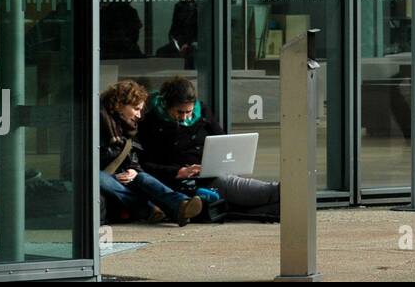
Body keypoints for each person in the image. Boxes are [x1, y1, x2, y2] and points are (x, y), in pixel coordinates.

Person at [137, 76, 280, 213]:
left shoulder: (202, 112)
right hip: (189, 181)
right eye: (179, 112)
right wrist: (178, 171)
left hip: (211, 173)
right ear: (166, 105)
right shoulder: (150, 122)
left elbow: (223, 142)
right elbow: (145, 164)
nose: (185, 117)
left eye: (189, 112)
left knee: (269, 203)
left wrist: (224, 162)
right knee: (271, 192)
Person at [99, 81, 203, 224]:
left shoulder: (127, 127)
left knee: (142, 177)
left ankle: (181, 204)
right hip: (103, 175)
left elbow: (133, 156)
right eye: (136, 109)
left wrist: (133, 170)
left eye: (141, 110)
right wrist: (115, 177)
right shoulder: (97, 125)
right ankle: (149, 209)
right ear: (119, 105)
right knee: (99, 178)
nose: (139, 115)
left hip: (121, 175)